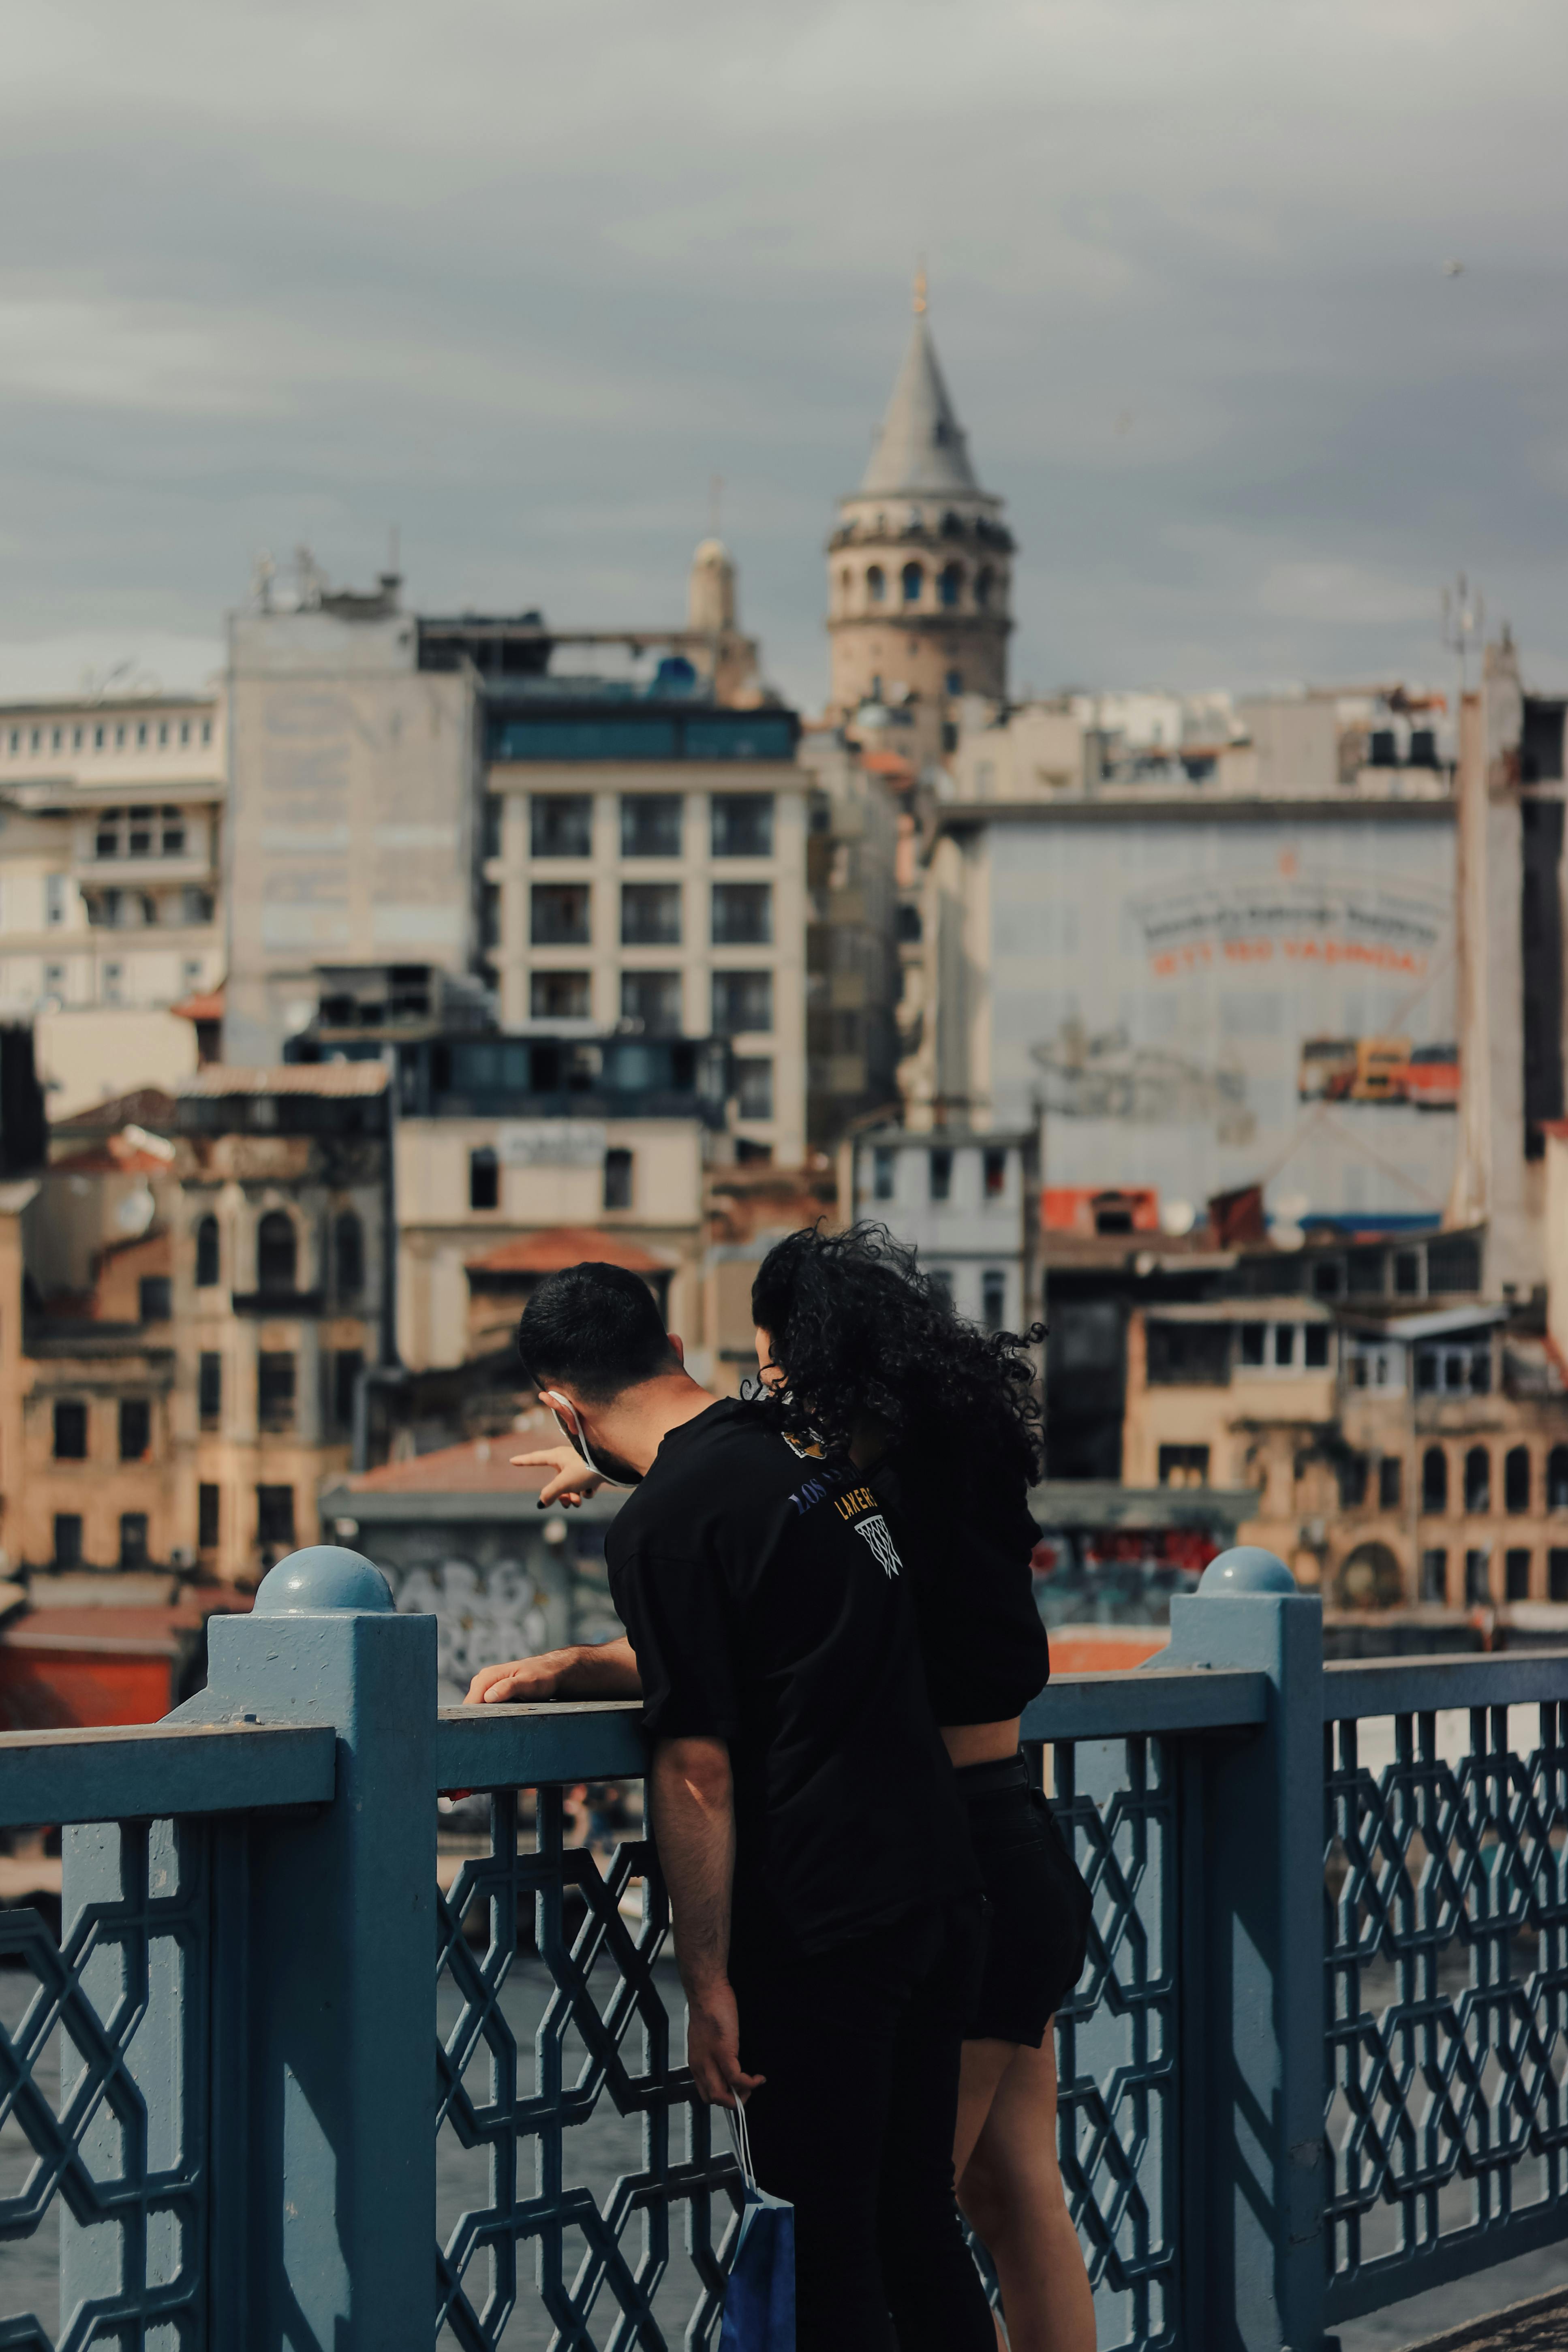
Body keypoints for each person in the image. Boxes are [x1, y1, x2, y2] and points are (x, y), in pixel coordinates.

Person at [472, 1259, 995, 2352]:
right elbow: (764, 1620)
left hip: (824, 1922)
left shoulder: (664, 1524)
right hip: (939, 1885)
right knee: (916, 2221)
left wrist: (704, 1982)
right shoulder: (798, 1444)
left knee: (827, 2247)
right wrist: (581, 1662)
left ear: (561, 1407)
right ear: (669, 1350)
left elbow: (697, 1769)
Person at [749, 1225, 1095, 2352]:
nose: (767, 1385)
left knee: (910, 2227)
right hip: (1025, 1846)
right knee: (1017, 2197)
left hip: (956, 1875)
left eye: (773, 1362)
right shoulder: (960, 1451)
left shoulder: (870, 1499)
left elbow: (775, 1619)